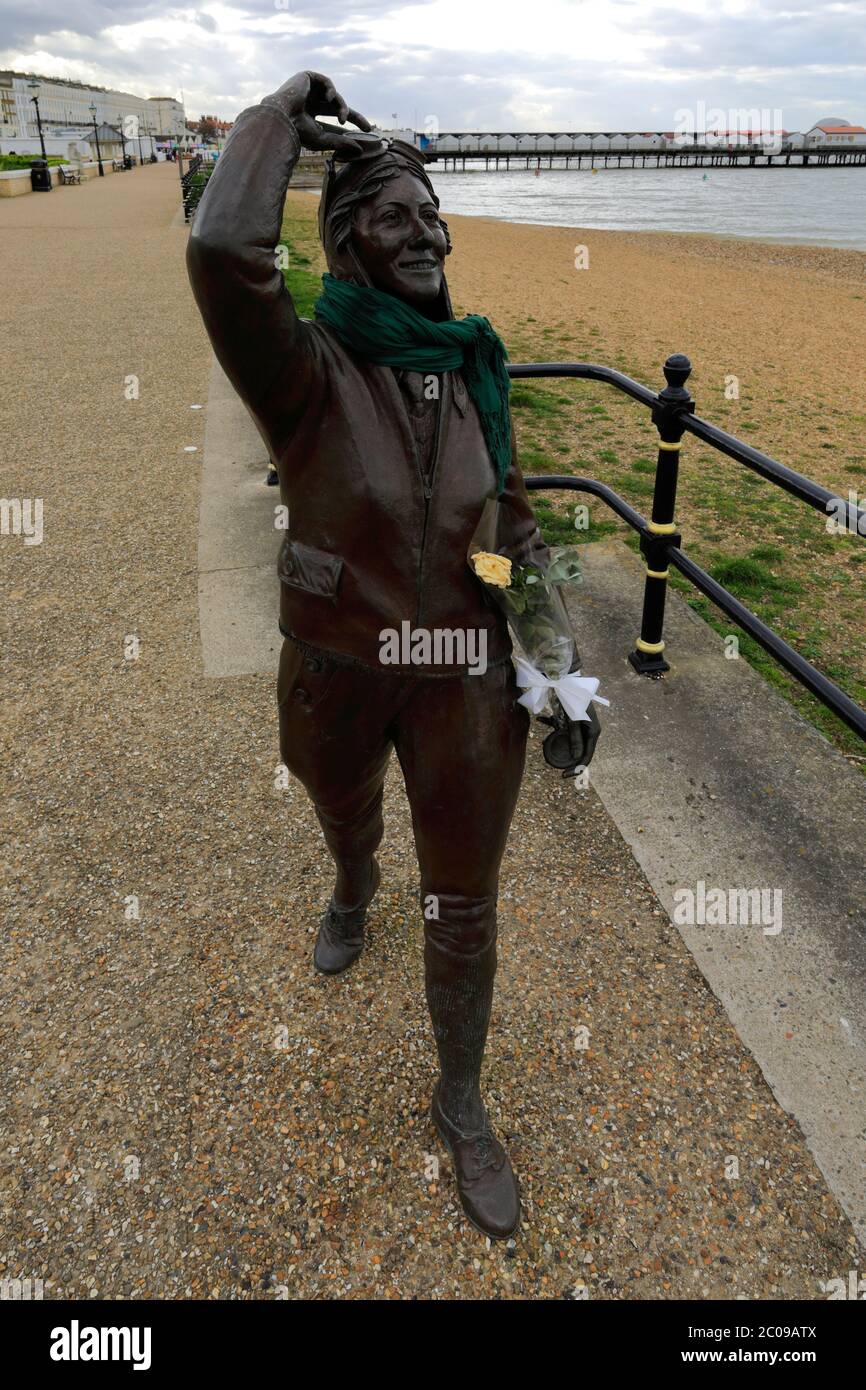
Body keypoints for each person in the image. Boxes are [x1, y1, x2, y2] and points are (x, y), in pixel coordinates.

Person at [187, 70, 601, 1241]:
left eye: (430, 215)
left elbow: (509, 531)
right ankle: (351, 879)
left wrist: (555, 662)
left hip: (461, 671)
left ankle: (461, 1098)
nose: (422, 234)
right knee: (339, 801)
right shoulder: (305, 373)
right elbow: (224, 252)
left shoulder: (475, 372)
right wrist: (280, 116)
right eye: (392, 215)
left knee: (463, 897)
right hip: (336, 659)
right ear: (344, 238)